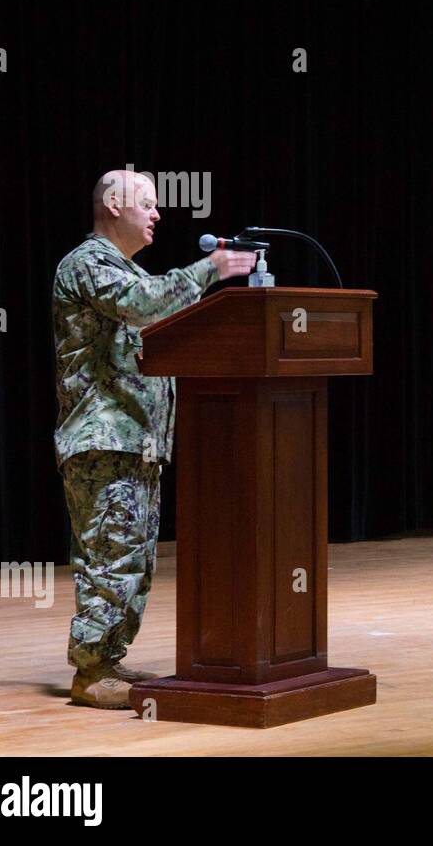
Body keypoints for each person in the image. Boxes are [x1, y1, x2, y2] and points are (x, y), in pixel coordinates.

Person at [53, 169, 256, 708]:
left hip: (138, 443)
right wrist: (209, 272)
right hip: (103, 442)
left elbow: (154, 309)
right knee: (110, 559)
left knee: (136, 561)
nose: (158, 214)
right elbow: (145, 302)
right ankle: (91, 672)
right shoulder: (87, 263)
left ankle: (109, 657)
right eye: (148, 203)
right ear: (114, 203)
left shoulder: (125, 269)